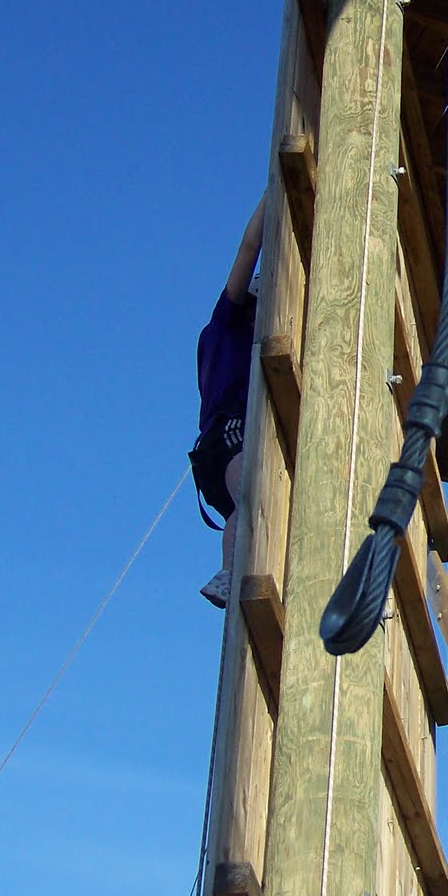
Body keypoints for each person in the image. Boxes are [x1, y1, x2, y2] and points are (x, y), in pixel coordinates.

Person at [190, 196, 265, 608]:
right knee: (252, 487)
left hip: (217, 451)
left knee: (251, 504)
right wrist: (270, 197)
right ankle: (229, 570)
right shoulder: (225, 325)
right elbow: (249, 249)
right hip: (227, 438)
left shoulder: (239, 342)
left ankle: (236, 568)